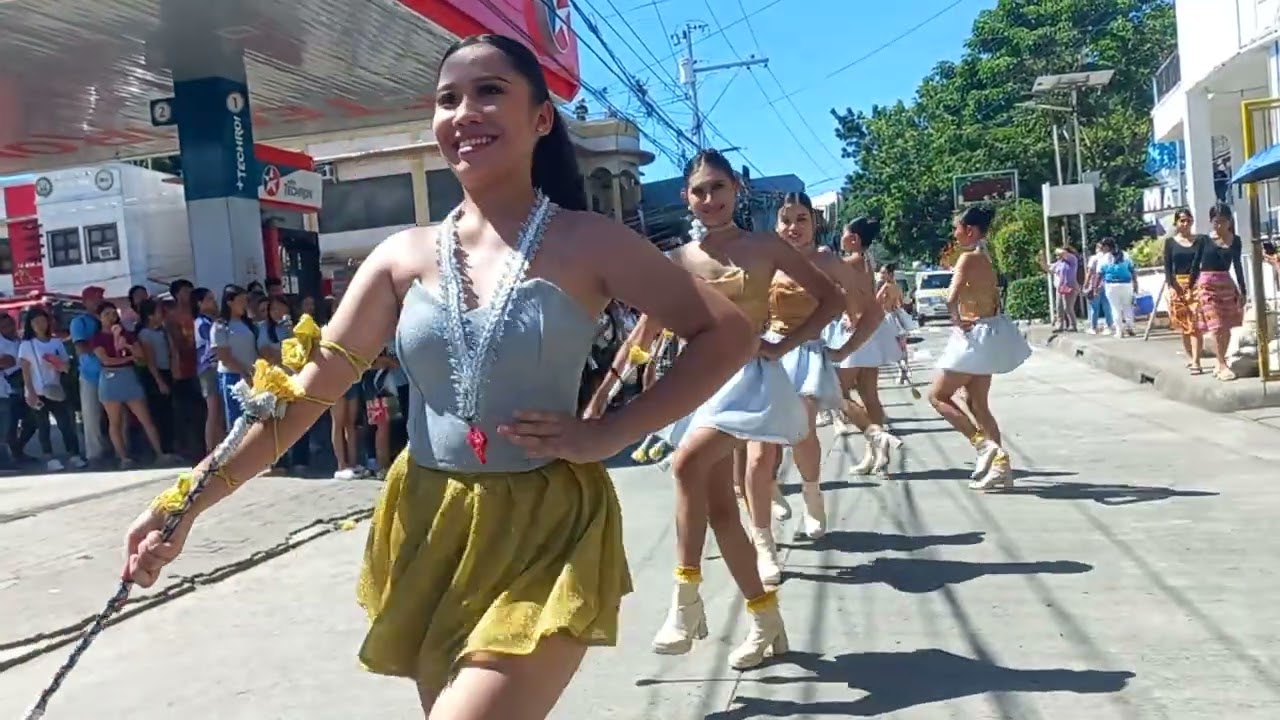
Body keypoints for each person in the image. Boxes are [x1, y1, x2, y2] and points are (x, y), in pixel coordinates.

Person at [122, 33, 755, 719]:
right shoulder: (402, 256)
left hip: (546, 528)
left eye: (490, 92)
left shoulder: (590, 241)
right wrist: (185, 503)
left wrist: (612, 432)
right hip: (430, 523)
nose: (465, 112)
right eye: (448, 99)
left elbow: (727, 332)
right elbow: (302, 398)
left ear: (542, 118)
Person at [619, 150, 842, 668]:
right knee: (721, 511)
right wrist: (634, 372)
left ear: (737, 190)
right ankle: (766, 620)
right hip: (698, 382)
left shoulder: (765, 247)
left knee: (685, 464)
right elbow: (649, 327)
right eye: (699, 190)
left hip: (748, 381)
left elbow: (830, 300)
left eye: (718, 187)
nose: (710, 199)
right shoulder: (677, 259)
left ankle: (685, 601)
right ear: (686, 197)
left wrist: (783, 347)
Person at [741, 192, 881, 583]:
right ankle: (764, 545)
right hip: (766, 354)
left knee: (801, 432)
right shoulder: (764, 259)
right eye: (785, 219)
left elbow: (870, 309)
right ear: (775, 224)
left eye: (800, 218)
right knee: (758, 453)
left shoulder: (826, 260)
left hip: (806, 356)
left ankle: (812, 494)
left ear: (813, 222)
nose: (792, 227)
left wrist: (844, 350)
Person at [929, 206, 1031, 490]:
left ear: (969, 230)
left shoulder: (967, 258)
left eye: (957, 228)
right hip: (991, 331)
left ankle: (984, 447)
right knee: (978, 404)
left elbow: (952, 298)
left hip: (973, 336)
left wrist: (956, 320)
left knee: (938, 396)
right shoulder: (986, 256)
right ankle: (1001, 468)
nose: (955, 233)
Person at [825, 219, 905, 473]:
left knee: (836, 392)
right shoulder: (867, 261)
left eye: (845, 233)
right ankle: (876, 453)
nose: (841, 236)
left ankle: (875, 439)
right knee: (869, 395)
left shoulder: (849, 262)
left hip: (855, 333)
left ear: (854, 239)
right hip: (869, 330)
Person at [91, 302, 173, 468]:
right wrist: (129, 358)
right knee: (115, 421)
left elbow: (141, 356)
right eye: (106, 314)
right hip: (110, 377)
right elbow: (106, 360)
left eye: (113, 314)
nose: (111, 317)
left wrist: (126, 345)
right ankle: (123, 457)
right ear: (99, 317)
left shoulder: (127, 334)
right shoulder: (96, 338)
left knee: (145, 418)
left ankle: (159, 453)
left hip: (128, 376)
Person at [17, 306, 86, 471]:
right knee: (43, 425)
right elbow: (25, 371)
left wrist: (58, 363)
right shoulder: (26, 345)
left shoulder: (56, 343)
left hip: (56, 390)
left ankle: (74, 454)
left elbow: (66, 367)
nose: (40, 325)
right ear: (30, 325)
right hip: (38, 391)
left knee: (65, 423)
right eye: (36, 322)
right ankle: (49, 457)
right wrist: (31, 392)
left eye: (43, 320)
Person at [1189, 202, 1247, 381]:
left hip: (1226, 283)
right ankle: (1221, 363)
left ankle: (1221, 360)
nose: (1219, 225)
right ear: (1211, 222)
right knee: (1216, 325)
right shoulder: (1203, 240)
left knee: (1227, 326)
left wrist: (1243, 290)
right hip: (1207, 285)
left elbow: (1237, 266)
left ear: (1229, 221)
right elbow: (1195, 264)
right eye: (1216, 222)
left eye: (1223, 221)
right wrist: (1190, 287)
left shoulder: (1235, 240)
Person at [211, 285, 260, 428]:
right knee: (236, 421)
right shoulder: (221, 325)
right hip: (232, 376)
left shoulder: (248, 324)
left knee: (253, 418)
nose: (244, 304)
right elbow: (223, 355)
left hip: (252, 374)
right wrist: (242, 372)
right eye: (241, 300)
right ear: (229, 302)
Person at [1164, 209, 1205, 374]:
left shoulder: (1200, 241)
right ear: (1176, 223)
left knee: (1195, 324)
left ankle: (1196, 361)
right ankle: (1190, 357)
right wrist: (1171, 287)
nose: (1185, 224)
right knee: (1184, 324)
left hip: (1196, 284)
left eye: (1188, 220)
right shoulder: (1170, 242)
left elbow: (1203, 263)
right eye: (1182, 220)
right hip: (1177, 284)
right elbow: (1168, 267)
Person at [69, 285, 107, 464]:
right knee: (91, 416)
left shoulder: (110, 318)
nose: (99, 300)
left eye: (100, 297)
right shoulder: (80, 322)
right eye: (94, 298)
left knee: (116, 415)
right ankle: (94, 453)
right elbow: (79, 347)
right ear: (85, 302)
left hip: (112, 372)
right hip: (90, 373)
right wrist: (101, 346)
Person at [192, 287, 224, 453]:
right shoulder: (202, 323)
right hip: (208, 368)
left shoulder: (210, 321)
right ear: (200, 303)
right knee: (213, 411)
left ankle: (218, 447)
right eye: (209, 299)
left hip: (213, 368)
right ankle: (211, 449)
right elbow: (209, 347)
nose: (214, 302)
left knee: (218, 411)